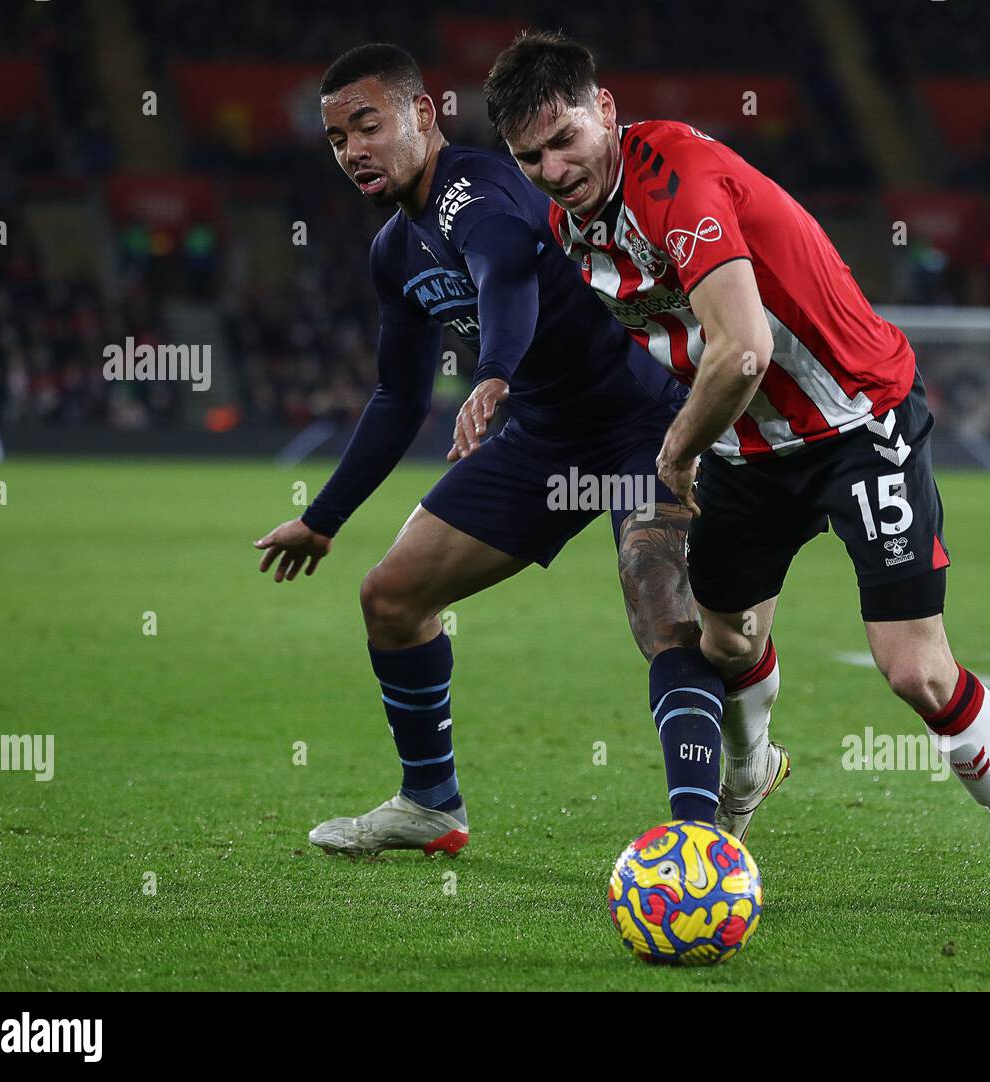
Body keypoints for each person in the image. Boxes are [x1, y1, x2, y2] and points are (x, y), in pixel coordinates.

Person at [485, 30, 990, 919]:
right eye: (529, 156)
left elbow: (744, 352)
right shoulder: (570, 226)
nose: (553, 168)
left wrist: (674, 452)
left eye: (564, 140)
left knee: (914, 670)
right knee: (725, 643)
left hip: (856, 423)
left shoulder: (675, 179)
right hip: (745, 452)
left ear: (603, 110)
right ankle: (753, 771)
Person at [255, 44, 765, 858]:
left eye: (367, 124)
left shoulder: (479, 187)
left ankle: (699, 845)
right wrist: (322, 518)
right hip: (545, 439)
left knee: (661, 610)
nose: (352, 150)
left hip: (649, 422)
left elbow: (505, 269)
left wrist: (491, 375)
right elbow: (399, 395)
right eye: (336, 139)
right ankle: (431, 804)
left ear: (423, 115)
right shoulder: (395, 249)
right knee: (390, 598)